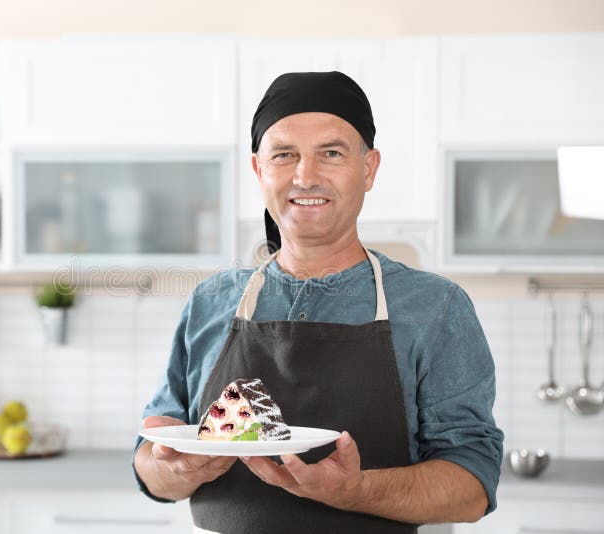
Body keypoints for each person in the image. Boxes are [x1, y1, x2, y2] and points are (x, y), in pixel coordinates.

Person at [132, 71, 503, 533]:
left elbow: (473, 484)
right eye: (284, 155)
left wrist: (355, 491)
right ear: (259, 170)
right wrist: (175, 469)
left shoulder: (435, 307)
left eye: (331, 153)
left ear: (368, 169)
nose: (305, 176)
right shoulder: (212, 300)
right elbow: (150, 464)